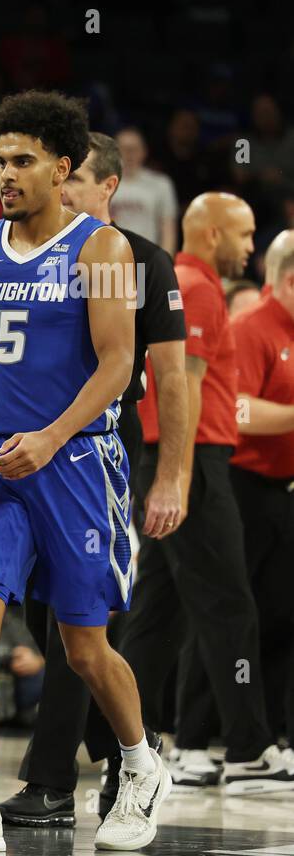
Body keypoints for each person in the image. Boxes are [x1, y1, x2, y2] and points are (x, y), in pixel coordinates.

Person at [0, 90, 170, 854]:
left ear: (63, 169)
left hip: (77, 463)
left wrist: (51, 437)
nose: (8, 174)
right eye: (0, 161)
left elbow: (121, 364)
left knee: (83, 646)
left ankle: (140, 763)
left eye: (23, 161)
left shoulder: (105, 250)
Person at [0, 131, 189, 826]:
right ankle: (129, 758)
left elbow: (171, 379)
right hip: (22, 445)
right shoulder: (14, 251)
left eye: (74, 181)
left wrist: (170, 477)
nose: (62, 191)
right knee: (51, 616)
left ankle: (50, 781)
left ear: (106, 188)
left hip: (104, 446)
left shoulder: (138, 260)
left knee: (78, 623)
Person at [118, 196, 294, 796]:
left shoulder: (193, 282)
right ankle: (246, 750)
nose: (251, 246)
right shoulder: (195, 285)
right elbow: (181, 388)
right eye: (244, 235)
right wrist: (179, 477)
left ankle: (132, 746)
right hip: (194, 461)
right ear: (213, 232)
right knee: (228, 605)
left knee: (159, 612)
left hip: (182, 459)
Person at [229, 229, 294, 755]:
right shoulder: (251, 327)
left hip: (285, 491)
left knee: (280, 615)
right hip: (243, 486)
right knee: (234, 615)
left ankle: (270, 734)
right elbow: (236, 410)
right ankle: (205, 738)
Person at [110, 127, 179, 254]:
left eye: (134, 149)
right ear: (114, 152)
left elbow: (168, 229)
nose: (129, 154)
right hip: (111, 260)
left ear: (144, 151)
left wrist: (165, 263)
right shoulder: (104, 184)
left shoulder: (161, 184)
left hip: (148, 260)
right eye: (124, 149)